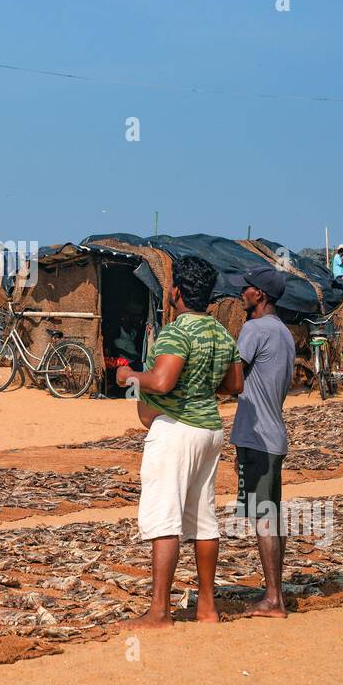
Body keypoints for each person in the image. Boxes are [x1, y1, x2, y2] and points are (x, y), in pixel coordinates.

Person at [115, 256, 242, 628]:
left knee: (164, 517)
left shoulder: (176, 331)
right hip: (210, 430)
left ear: (177, 293)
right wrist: (200, 388)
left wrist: (127, 375)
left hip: (176, 430)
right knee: (204, 520)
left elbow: (162, 381)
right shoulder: (221, 332)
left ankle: (159, 612)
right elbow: (235, 386)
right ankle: (206, 608)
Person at [232, 266, 296, 618]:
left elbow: (234, 375)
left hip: (255, 436)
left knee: (263, 517)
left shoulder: (254, 329)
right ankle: (276, 592)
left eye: (248, 289)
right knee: (271, 514)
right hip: (274, 435)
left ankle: (273, 599)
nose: (243, 293)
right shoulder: (283, 332)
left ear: (262, 296)